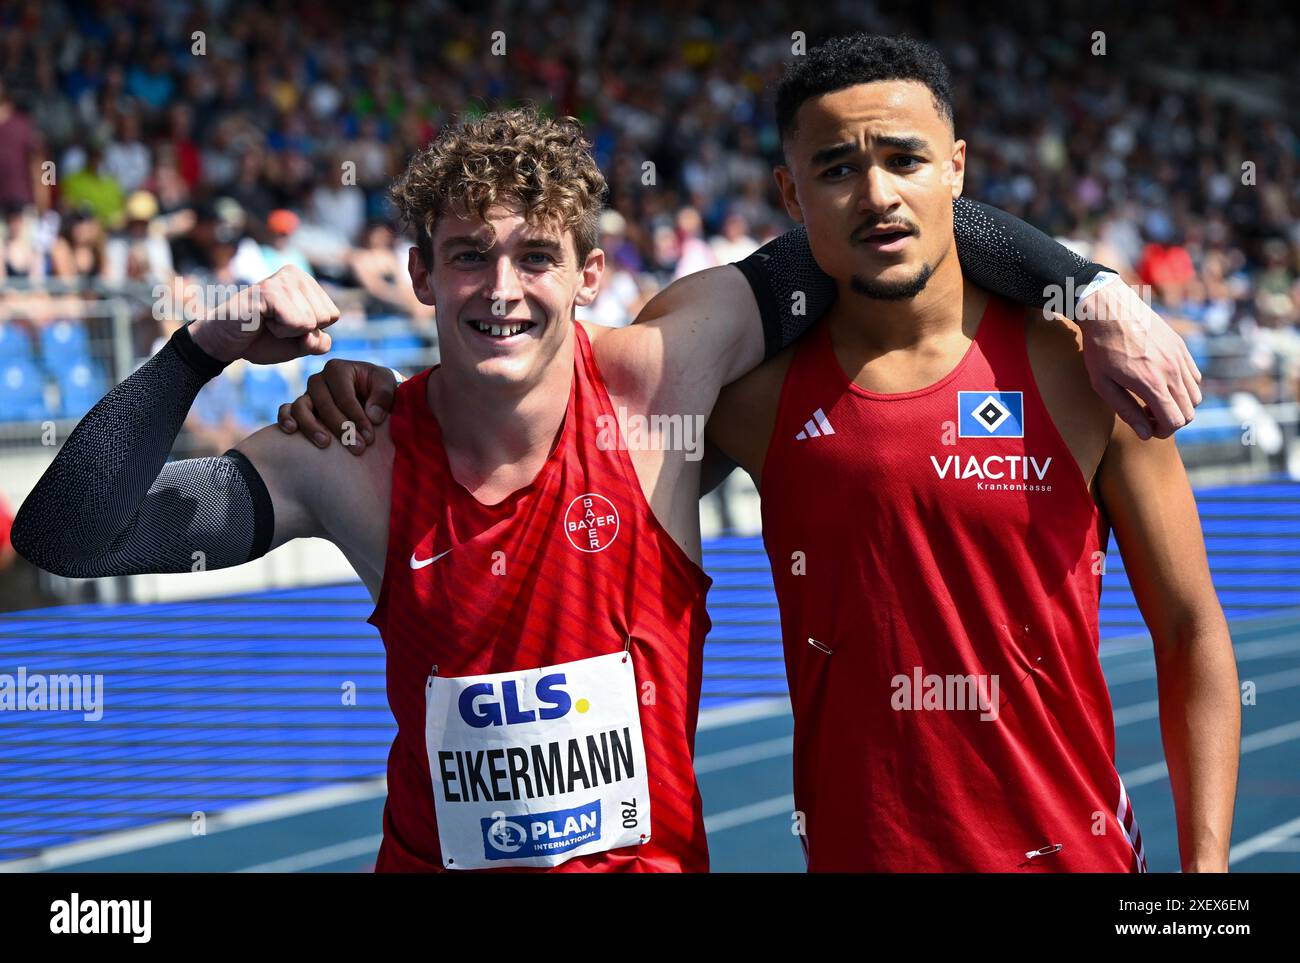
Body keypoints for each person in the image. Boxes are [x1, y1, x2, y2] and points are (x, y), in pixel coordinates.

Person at [16, 94, 1200, 873]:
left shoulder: (659, 385)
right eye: (468, 255)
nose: (502, 289)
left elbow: (880, 220)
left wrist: (1090, 289)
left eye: (536, 255)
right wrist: (198, 347)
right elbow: (70, 535)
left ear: (591, 272)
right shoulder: (355, 455)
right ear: (419, 273)